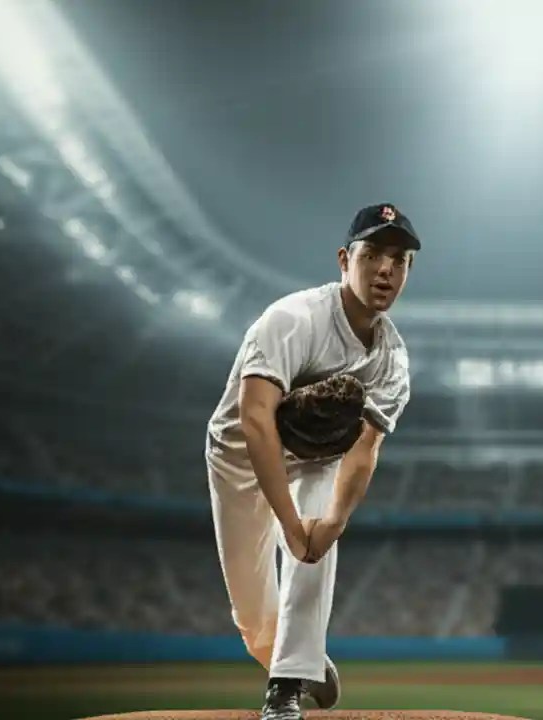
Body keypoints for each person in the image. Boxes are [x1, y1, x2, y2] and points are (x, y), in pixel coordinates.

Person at [205, 203, 418, 719]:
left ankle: (287, 685)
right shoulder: (293, 319)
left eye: (399, 259)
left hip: (312, 457)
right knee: (253, 618)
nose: (386, 269)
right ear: (345, 259)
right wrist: (287, 522)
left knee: (316, 535)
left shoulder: (392, 361)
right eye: (372, 255)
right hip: (238, 455)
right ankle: (301, 660)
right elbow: (255, 419)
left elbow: (365, 447)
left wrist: (331, 524)